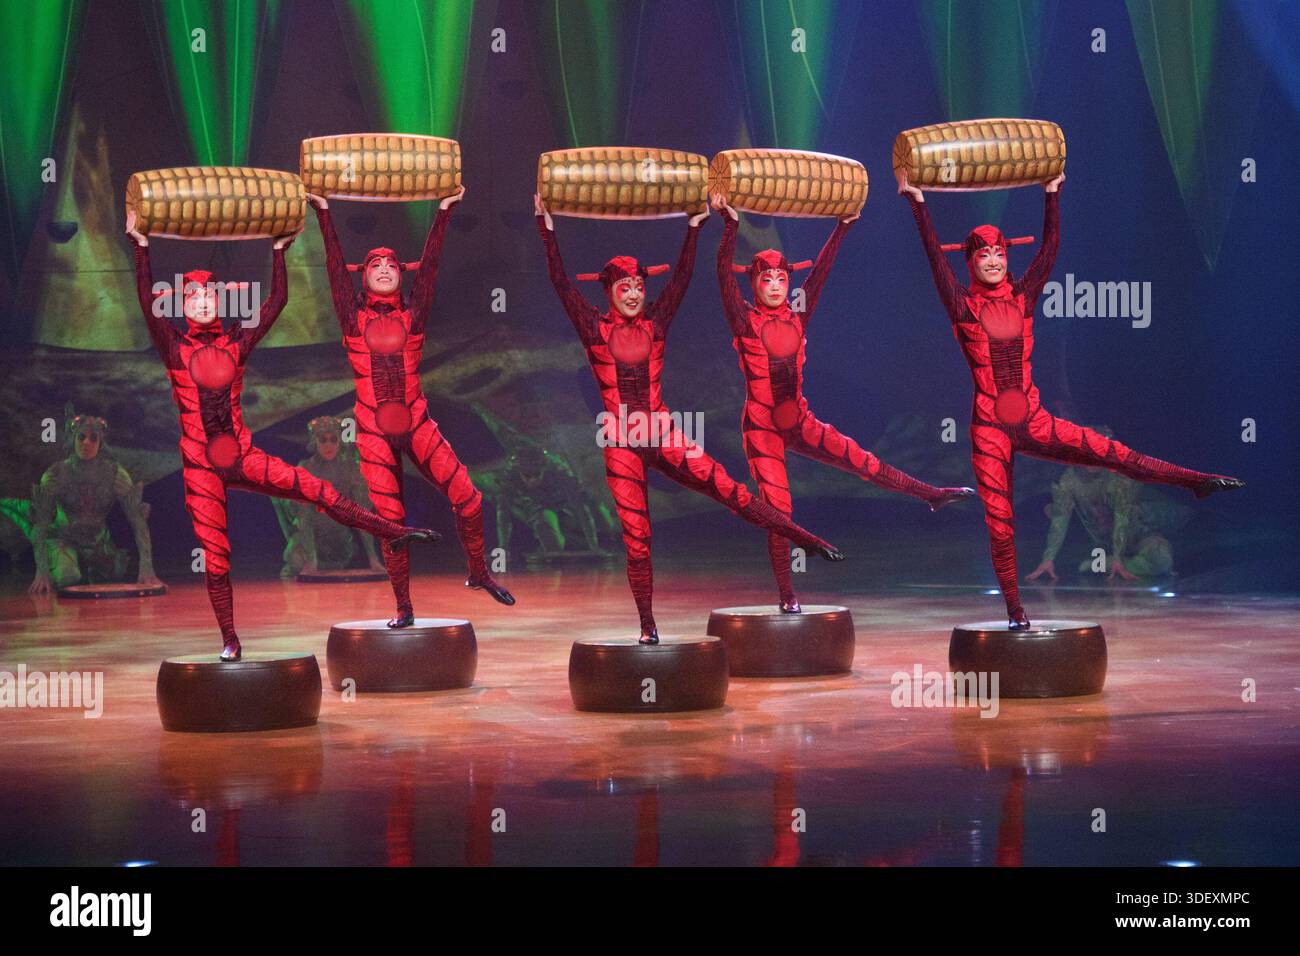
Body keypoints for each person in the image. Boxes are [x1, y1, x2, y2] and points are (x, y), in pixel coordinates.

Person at [898, 169, 1242, 628]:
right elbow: (933, 259)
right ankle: (1016, 612)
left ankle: (1192, 480)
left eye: (1000, 252)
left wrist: (1052, 193)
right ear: (971, 263)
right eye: (985, 255)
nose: (995, 260)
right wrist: (917, 202)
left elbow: (1049, 250)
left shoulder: (1023, 296)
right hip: (991, 429)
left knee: (1113, 453)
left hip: (1035, 419)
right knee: (999, 524)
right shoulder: (963, 305)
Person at [127, 214, 437, 661]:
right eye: (191, 297)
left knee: (319, 490)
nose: (200, 302)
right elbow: (143, 296)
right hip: (202, 467)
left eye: (209, 295)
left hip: (243, 454)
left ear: (220, 302)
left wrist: (278, 251)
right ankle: (230, 639)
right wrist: (140, 246)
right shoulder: (174, 347)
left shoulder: (237, 343)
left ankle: (395, 530)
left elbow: (276, 301)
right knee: (216, 558)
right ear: (179, 306)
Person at [536, 194, 843, 644]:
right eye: (625, 288)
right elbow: (561, 283)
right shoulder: (593, 327)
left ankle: (804, 538)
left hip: (661, 431)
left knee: (730, 490)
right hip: (622, 441)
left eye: (640, 286)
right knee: (637, 539)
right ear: (609, 293)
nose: (635, 293)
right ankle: (647, 624)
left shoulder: (657, 321)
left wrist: (696, 227)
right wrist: (547, 228)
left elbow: (681, 278)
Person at [715, 196, 973, 612]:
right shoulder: (744, 320)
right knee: (779, 511)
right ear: (755, 285)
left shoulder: (798, 315)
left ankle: (930, 494)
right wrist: (729, 226)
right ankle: (786, 596)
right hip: (761, 427)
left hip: (799, 419)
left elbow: (818, 275)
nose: (777, 285)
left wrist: (842, 227)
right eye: (768, 280)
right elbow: (722, 279)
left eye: (782, 278)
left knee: (862, 461)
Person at [308, 188, 515, 628]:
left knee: (471, 501)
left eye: (391, 265)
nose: (384, 269)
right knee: (392, 523)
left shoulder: (413, 317)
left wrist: (443, 212)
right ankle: (403, 607)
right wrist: (324, 213)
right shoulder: (352, 319)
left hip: (417, 421)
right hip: (372, 429)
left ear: (402, 276)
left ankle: (478, 571)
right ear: (362, 278)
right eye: (374, 266)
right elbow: (332, 271)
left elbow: (432, 269)